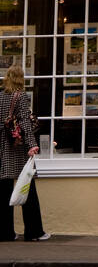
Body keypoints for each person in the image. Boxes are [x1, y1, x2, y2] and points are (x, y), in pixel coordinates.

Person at [0, 64, 50, 242]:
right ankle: (34, 232)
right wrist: (32, 144)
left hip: (2, 148)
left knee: (3, 190)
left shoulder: (0, 96)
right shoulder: (21, 96)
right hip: (17, 147)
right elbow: (24, 123)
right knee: (27, 188)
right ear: (21, 79)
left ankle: (5, 233)